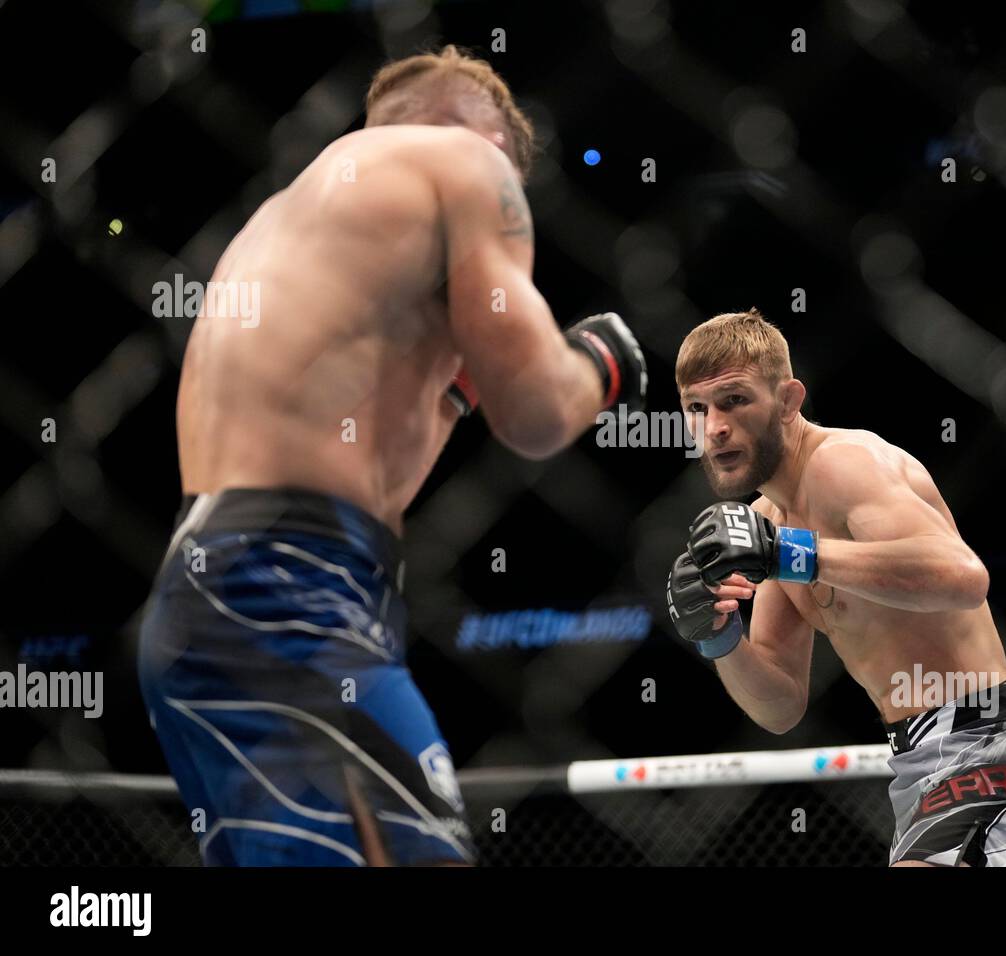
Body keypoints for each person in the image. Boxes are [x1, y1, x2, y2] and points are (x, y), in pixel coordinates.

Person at [138, 46, 647, 866]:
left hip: (208, 599)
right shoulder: (471, 167)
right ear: (492, 143)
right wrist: (602, 360)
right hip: (290, 594)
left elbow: (376, 470)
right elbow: (540, 413)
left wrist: (456, 391)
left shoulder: (290, 221)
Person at [666, 309, 1006, 866]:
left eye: (734, 400)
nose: (714, 427)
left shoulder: (844, 464)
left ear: (787, 400)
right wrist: (718, 637)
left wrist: (791, 555)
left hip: (985, 739)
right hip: (920, 760)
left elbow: (964, 578)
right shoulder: (767, 523)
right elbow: (780, 705)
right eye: (696, 409)